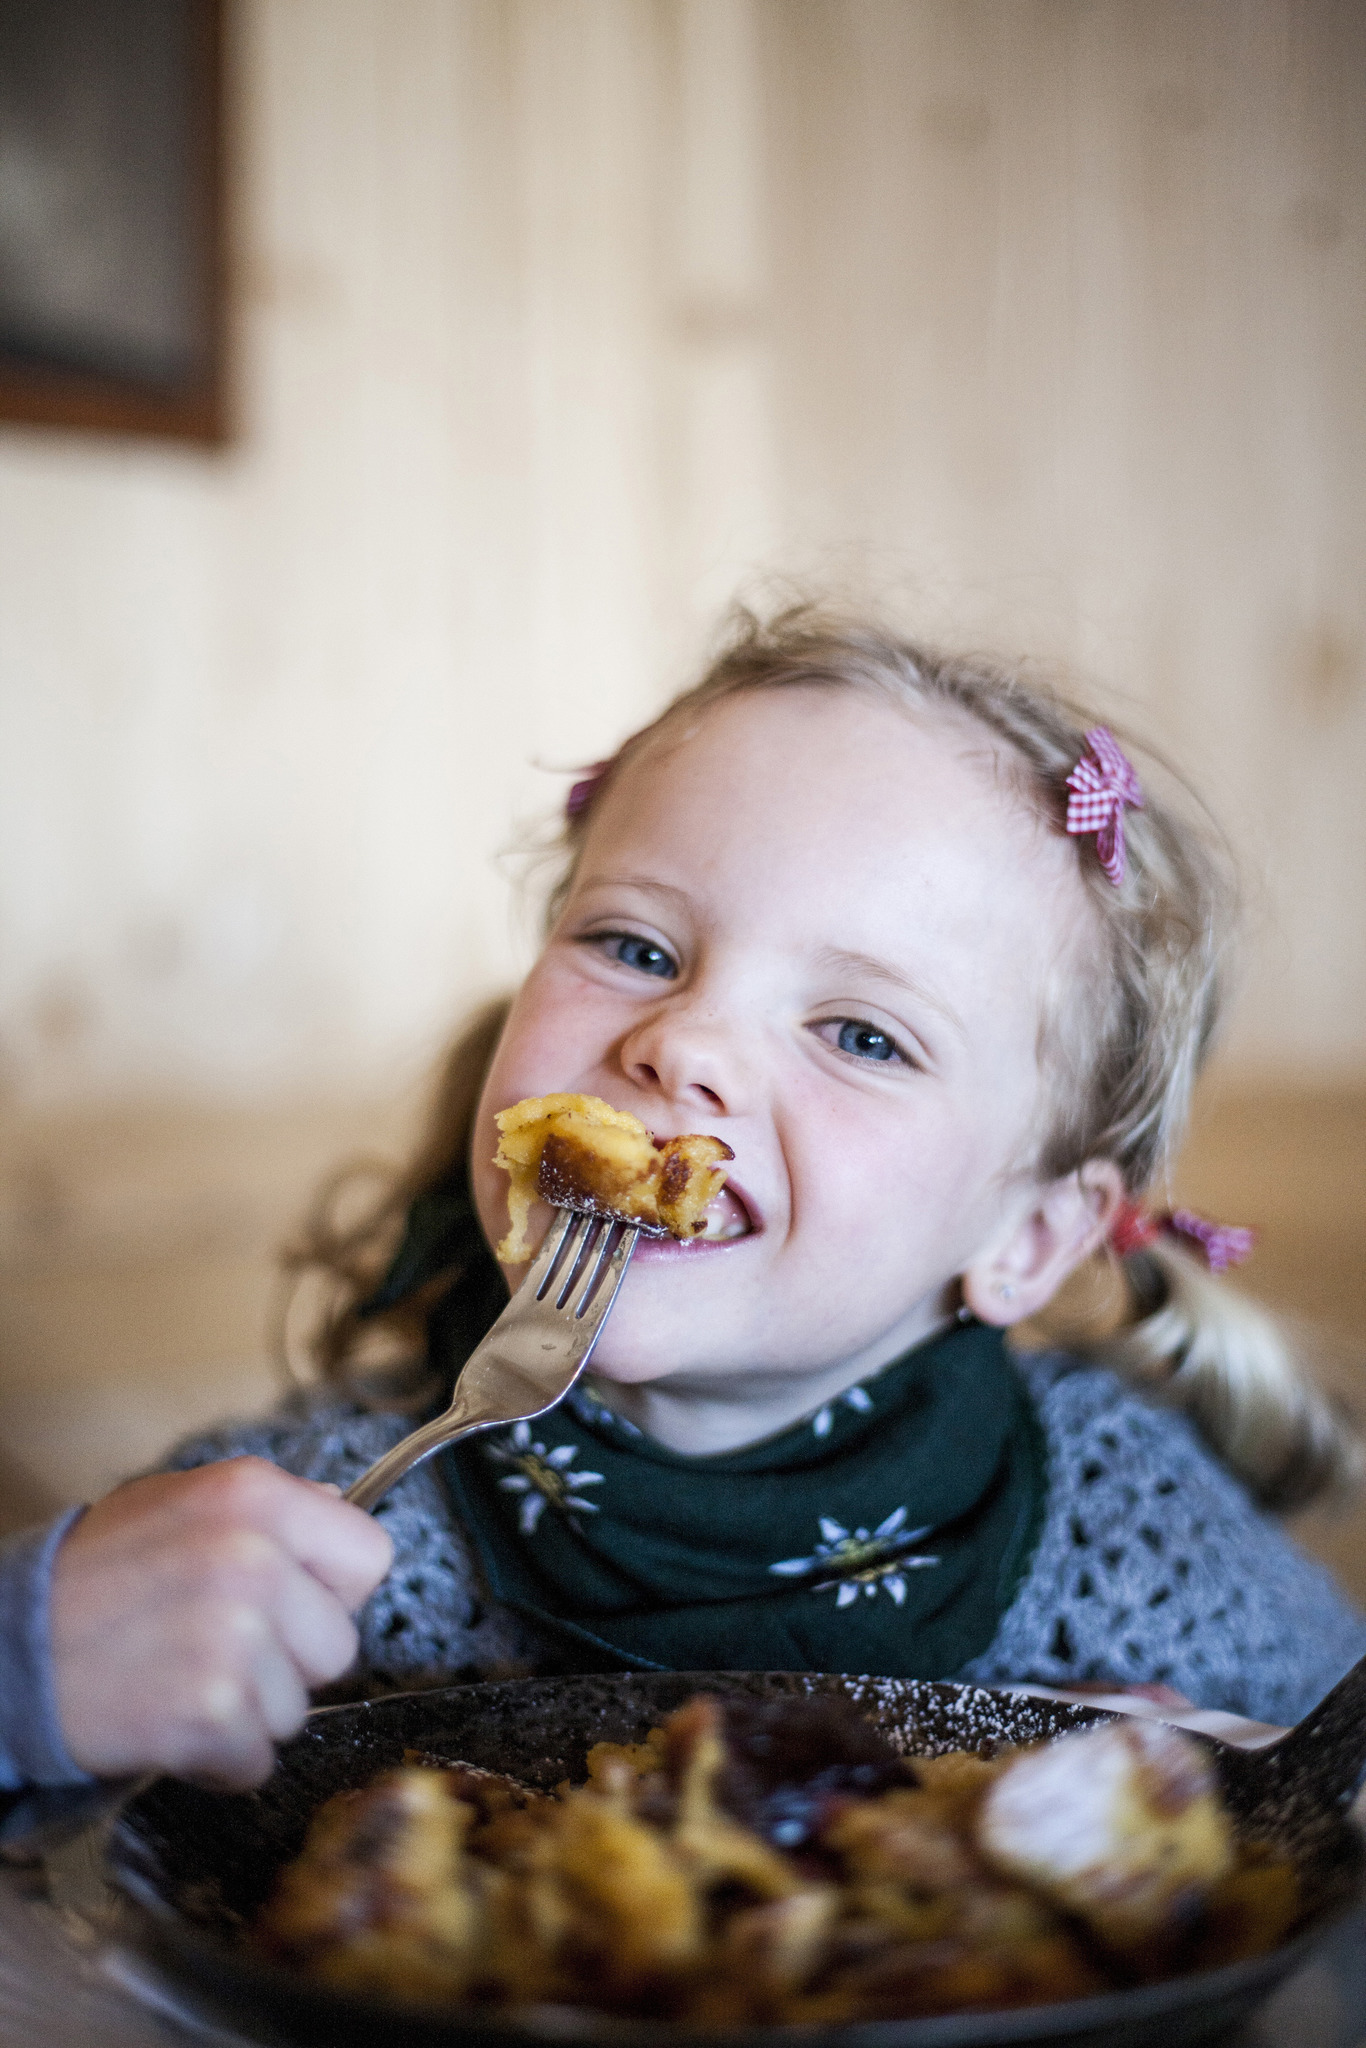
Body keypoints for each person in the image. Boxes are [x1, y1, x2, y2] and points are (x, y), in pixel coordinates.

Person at [5, 606, 1363, 1791]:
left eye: (860, 1034)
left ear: (1026, 1240)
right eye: (632, 945)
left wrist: (1201, 1798)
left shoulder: (1129, 1548)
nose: (685, 1043)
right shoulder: (310, 1522)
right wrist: (31, 1678)